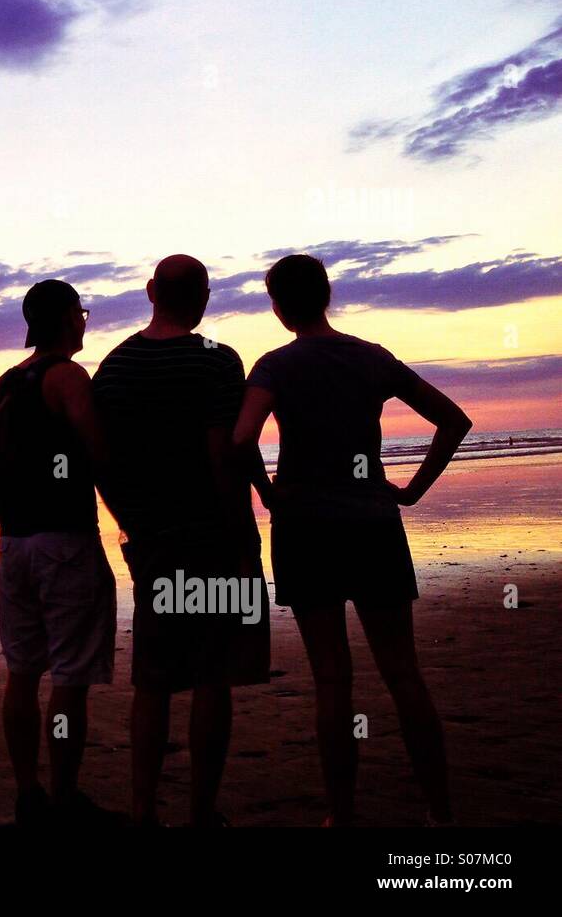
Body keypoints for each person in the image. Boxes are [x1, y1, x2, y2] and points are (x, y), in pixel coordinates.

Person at [233, 254, 471, 827]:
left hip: (307, 529)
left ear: (278, 306)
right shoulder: (371, 357)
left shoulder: (274, 365)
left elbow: (242, 438)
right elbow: (453, 420)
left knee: (332, 677)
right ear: (327, 295)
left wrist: (268, 491)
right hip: (372, 523)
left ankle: (342, 815)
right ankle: (440, 813)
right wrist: (411, 490)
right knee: (402, 670)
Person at [92, 255, 270, 828]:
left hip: (153, 539)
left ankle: (143, 811)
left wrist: (130, 521)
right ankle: (201, 810)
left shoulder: (114, 368)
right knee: (212, 675)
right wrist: (241, 528)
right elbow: (225, 450)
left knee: (155, 676)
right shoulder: (217, 361)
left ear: (150, 292)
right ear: (204, 298)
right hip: (212, 535)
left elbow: (100, 460)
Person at [0, 279, 117, 826]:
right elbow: (100, 455)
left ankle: (28, 794)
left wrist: (11, 516)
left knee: (22, 673)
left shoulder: (8, 384)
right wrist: (130, 525)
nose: (84, 322)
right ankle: (64, 798)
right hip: (65, 543)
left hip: (13, 544)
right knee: (71, 678)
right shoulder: (67, 376)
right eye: (81, 313)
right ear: (65, 320)